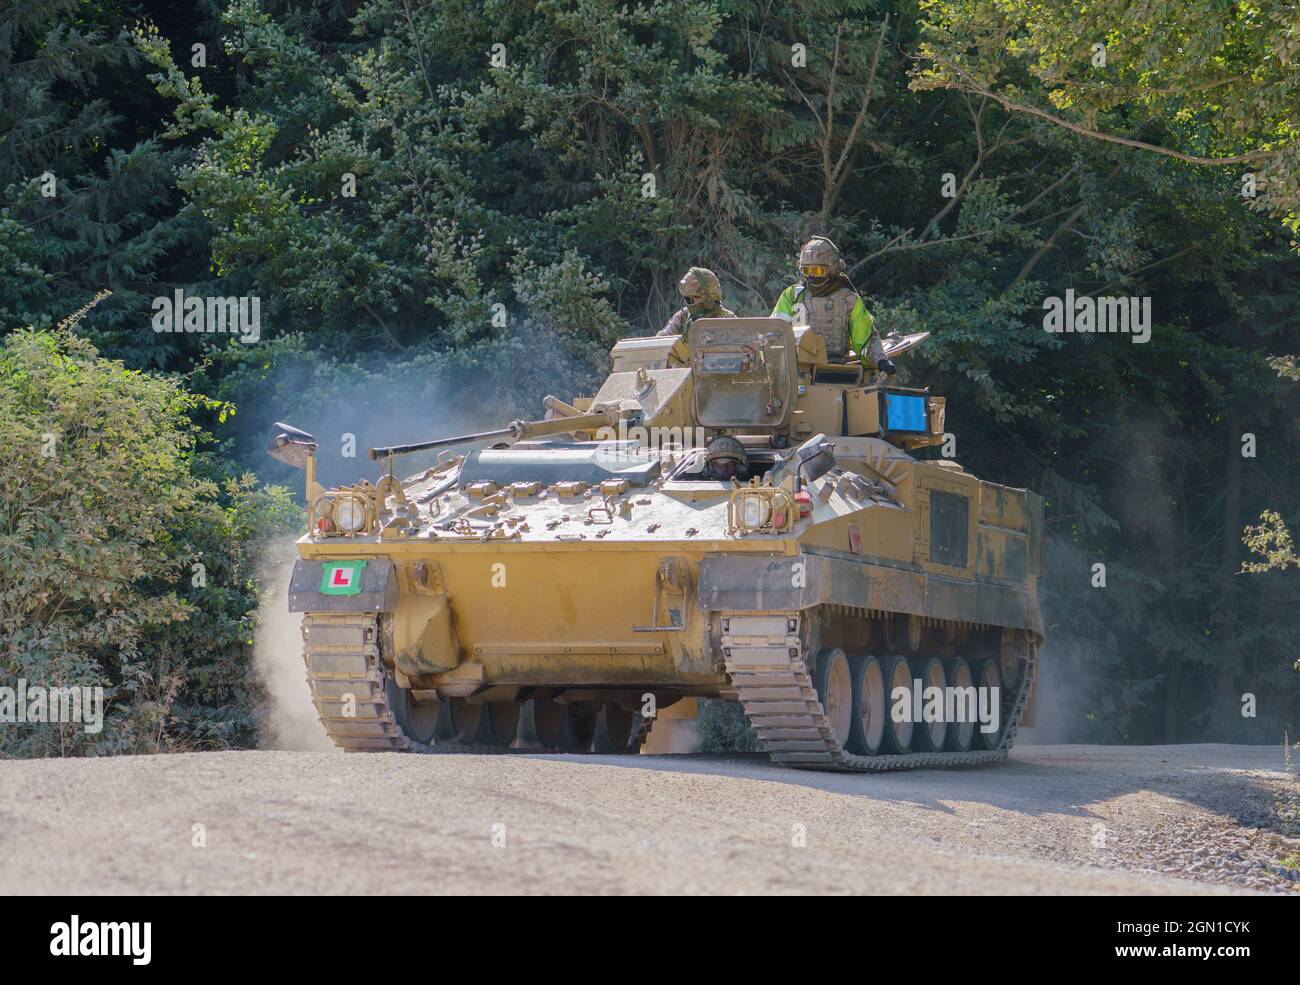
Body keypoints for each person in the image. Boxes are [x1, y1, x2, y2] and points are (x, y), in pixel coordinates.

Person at [770, 237, 895, 374]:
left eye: (817, 271)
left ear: (832, 269)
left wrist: (880, 361)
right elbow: (775, 331)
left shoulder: (849, 299)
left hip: (836, 371)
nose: (811, 276)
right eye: (806, 271)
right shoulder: (792, 295)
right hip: (796, 373)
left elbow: (865, 339)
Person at [657, 267, 735, 336]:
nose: (690, 304)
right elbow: (662, 340)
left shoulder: (728, 319)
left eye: (693, 299)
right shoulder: (683, 317)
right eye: (687, 299)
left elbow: (739, 344)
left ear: (709, 298)